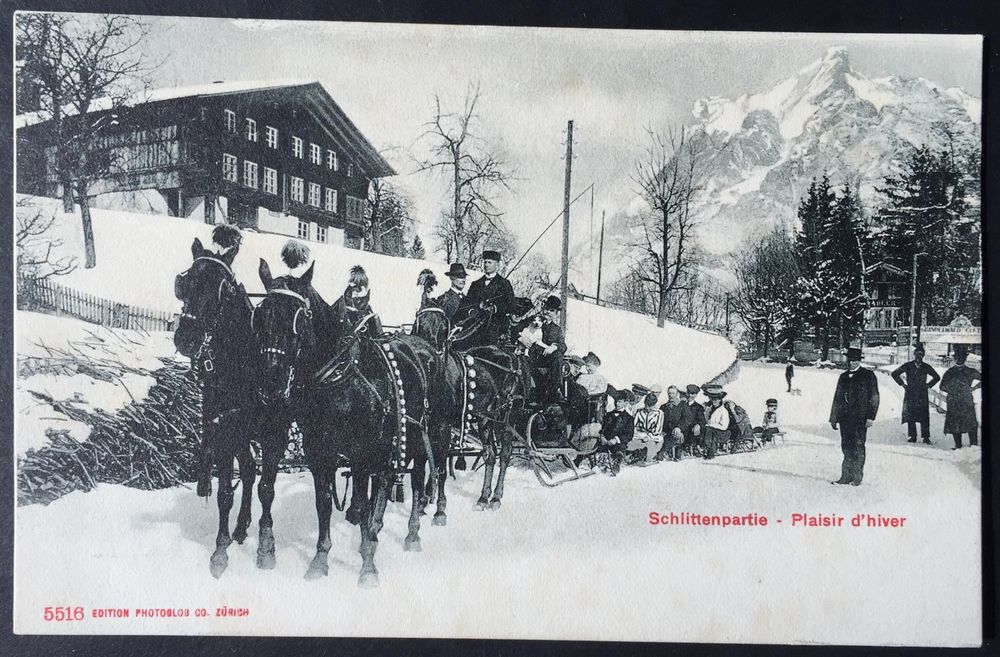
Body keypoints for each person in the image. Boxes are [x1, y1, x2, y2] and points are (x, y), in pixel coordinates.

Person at [829, 347, 880, 486]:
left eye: (855, 360)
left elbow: (874, 397)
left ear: (859, 361)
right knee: (846, 447)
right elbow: (837, 398)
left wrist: (871, 416)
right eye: (850, 360)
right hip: (845, 418)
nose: (852, 363)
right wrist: (833, 417)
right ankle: (845, 476)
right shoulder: (843, 376)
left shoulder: (868, 375)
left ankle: (857, 477)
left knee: (858, 446)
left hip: (860, 418)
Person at [459, 249, 515, 346]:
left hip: (495, 330)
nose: (486, 265)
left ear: (497, 264)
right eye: (485, 262)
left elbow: (511, 305)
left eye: (490, 262)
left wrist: (495, 308)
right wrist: (473, 310)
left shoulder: (504, 284)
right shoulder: (475, 284)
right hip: (475, 328)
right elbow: (467, 303)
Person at [890, 344, 941, 444]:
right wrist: (903, 385)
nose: (919, 356)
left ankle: (926, 437)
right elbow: (894, 374)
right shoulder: (908, 366)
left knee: (924, 416)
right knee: (911, 415)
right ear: (914, 354)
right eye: (917, 354)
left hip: (922, 394)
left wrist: (928, 385)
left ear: (923, 356)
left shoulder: (926, 367)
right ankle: (912, 436)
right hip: (911, 393)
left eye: (921, 354)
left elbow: (937, 377)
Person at [527, 296, 568, 402]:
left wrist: (554, 347)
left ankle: (556, 389)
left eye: (552, 310)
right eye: (547, 309)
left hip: (547, 360)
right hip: (532, 356)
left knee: (558, 355)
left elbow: (563, 346)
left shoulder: (557, 329)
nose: (548, 312)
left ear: (555, 314)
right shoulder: (533, 321)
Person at [940, 345, 981, 449]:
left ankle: (974, 445)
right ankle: (958, 445)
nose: (960, 359)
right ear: (955, 358)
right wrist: (952, 390)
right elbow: (942, 386)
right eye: (958, 357)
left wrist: (974, 388)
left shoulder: (971, 371)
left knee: (971, 423)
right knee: (955, 423)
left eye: (962, 357)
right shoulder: (949, 372)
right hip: (954, 401)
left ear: (965, 358)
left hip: (966, 401)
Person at [332, 265, 384, 338]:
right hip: (349, 312)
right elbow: (347, 299)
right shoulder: (351, 286)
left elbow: (364, 301)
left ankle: (379, 338)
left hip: (360, 313)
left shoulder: (362, 287)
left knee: (374, 319)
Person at [598, 388, 635, 475]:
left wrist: (616, 439)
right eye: (616, 401)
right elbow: (603, 428)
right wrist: (602, 436)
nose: (617, 403)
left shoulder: (628, 418)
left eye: (619, 402)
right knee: (597, 449)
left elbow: (629, 435)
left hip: (618, 443)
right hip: (606, 441)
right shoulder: (608, 415)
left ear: (625, 403)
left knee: (619, 450)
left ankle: (617, 463)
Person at [657, 386, 691, 461]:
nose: (671, 395)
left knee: (677, 435)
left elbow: (687, 419)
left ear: (677, 394)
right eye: (669, 393)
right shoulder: (663, 407)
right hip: (666, 431)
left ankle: (678, 449)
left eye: (673, 393)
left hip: (680, 431)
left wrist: (679, 427)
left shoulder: (683, 405)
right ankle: (665, 451)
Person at [576, 352, 609, 423]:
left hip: (593, 403)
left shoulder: (600, 378)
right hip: (580, 402)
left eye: (589, 366)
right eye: (586, 366)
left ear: (595, 365)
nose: (587, 368)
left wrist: (587, 393)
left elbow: (601, 391)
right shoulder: (582, 377)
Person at [701, 384, 730, 460]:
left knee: (710, 431)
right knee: (706, 430)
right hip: (711, 431)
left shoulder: (723, 411)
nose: (713, 401)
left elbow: (724, 426)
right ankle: (703, 448)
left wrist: (712, 426)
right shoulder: (709, 409)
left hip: (722, 432)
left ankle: (710, 451)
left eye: (716, 399)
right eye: (712, 399)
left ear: (720, 400)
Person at [684, 383, 705, 456]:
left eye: (692, 394)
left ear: (696, 395)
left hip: (693, 428)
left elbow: (702, 420)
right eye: (689, 393)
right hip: (683, 426)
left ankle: (695, 447)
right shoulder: (682, 405)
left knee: (696, 430)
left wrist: (698, 425)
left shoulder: (699, 407)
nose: (690, 396)